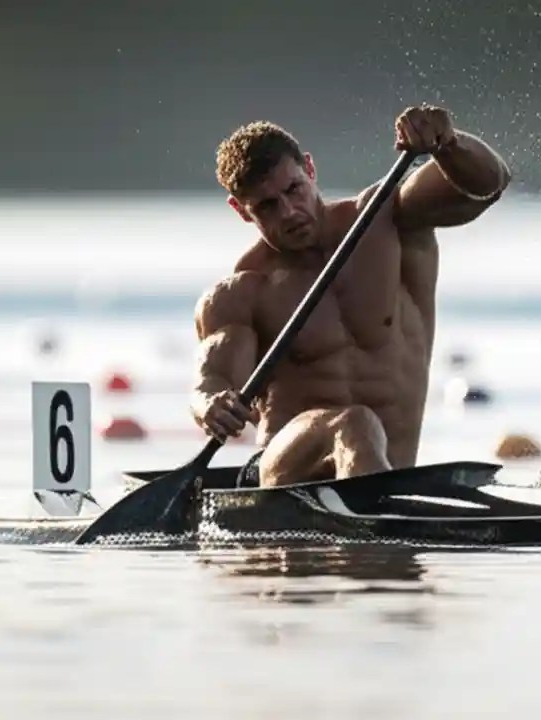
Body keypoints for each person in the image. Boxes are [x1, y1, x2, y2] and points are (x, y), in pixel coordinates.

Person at [190, 105, 510, 488]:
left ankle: (371, 512)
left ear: (309, 170)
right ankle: (374, 521)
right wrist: (211, 404)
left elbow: (489, 183)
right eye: (267, 206)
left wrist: (448, 144)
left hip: (390, 475)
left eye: (294, 190)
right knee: (354, 423)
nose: (290, 212)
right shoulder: (243, 291)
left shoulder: (388, 219)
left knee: (359, 428)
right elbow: (211, 378)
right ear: (241, 211)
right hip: (286, 477)